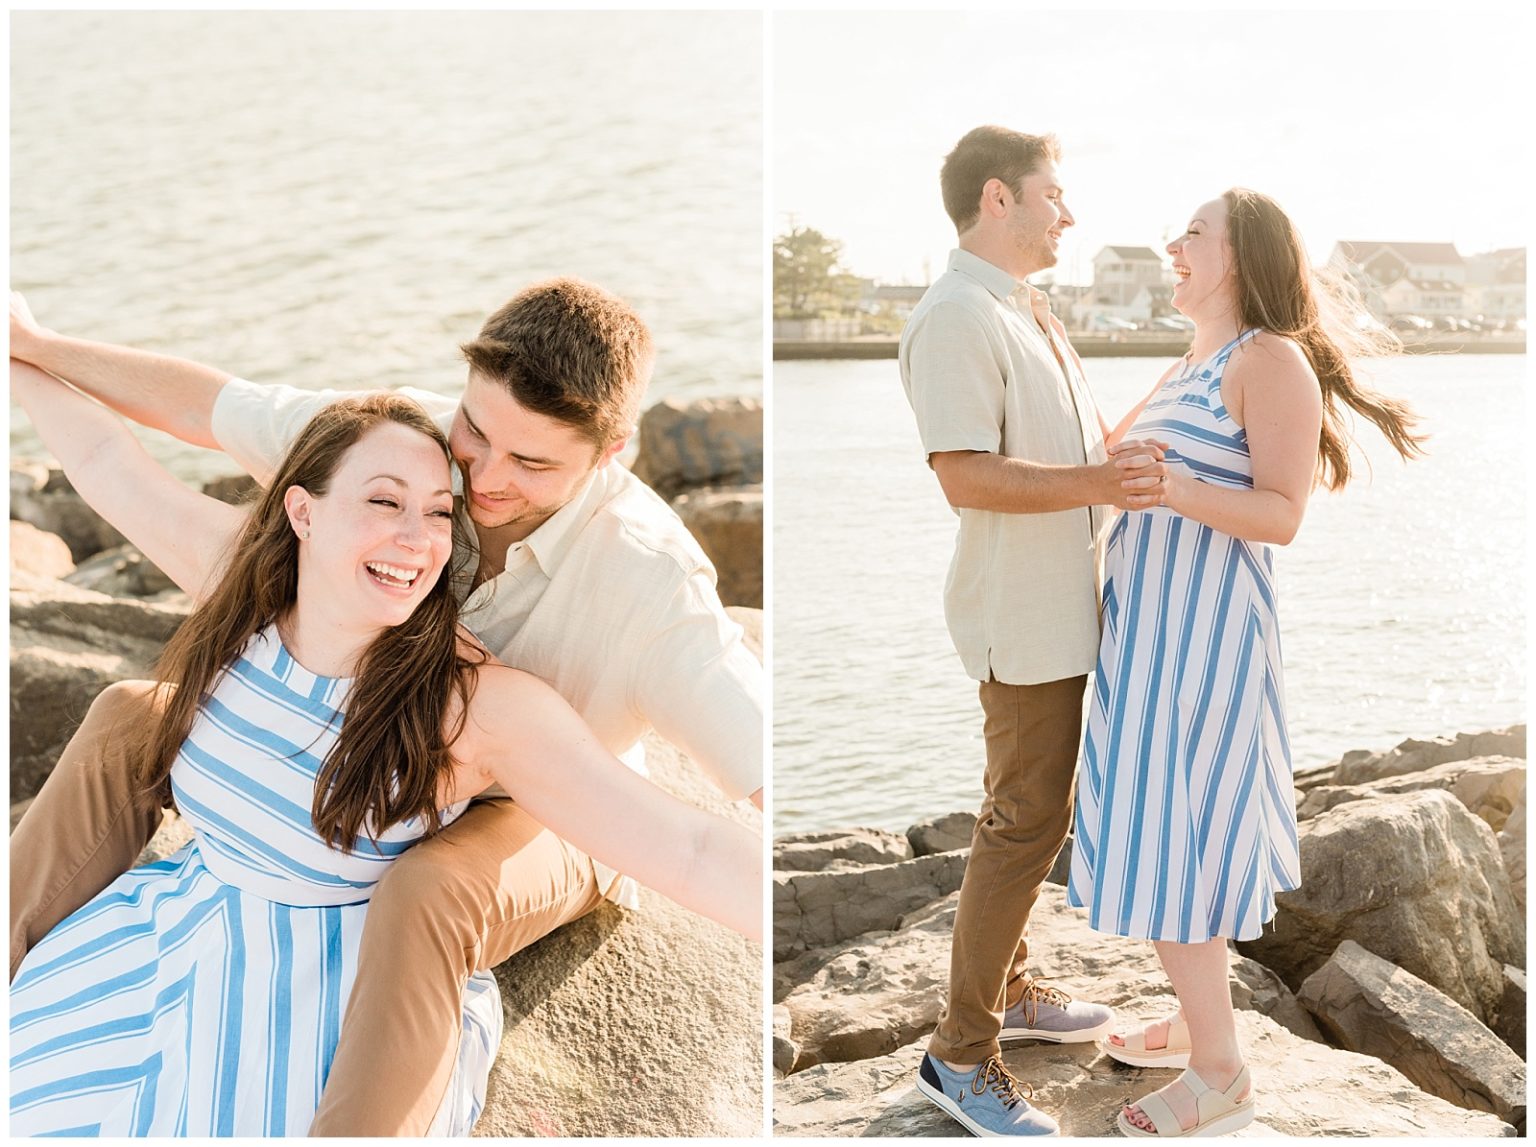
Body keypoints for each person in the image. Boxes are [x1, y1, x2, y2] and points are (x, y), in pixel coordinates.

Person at [7, 278, 763, 1135]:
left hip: (544, 803)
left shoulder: (651, 587)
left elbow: (721, 813)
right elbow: (209, 412)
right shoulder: (400, 445)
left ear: (612, 451)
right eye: (475, 435)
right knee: (129, 717)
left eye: (532, 462)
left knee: (427, 885)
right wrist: (30, 346)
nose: (483, 477)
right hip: (364, 716)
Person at [1067, 189, 1423, 1138]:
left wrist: (1175, 486)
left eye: (1193, 234)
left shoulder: (1269, 361)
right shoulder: (1191, 360)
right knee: (1170, 825)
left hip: (1201, 642)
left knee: (1176, 839)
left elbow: (1282, 514)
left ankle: (1221, 1075)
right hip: (1145, 634)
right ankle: (1194, 1023)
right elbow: (1101, 455)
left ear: (1240, 256)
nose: (1171, 246)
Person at [897, 125, 1172, 1138]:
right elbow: (964, 473)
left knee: (1029, 816)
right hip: (1021, 613)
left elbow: (1073, 451)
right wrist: (1100, 481)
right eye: (1055, 195)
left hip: (1066, 604)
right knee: (1025, 822)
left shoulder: (1026, 310)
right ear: (998, 198)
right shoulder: (957, 317)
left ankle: (1010, 992)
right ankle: (957, 1054)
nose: (1071, 213)